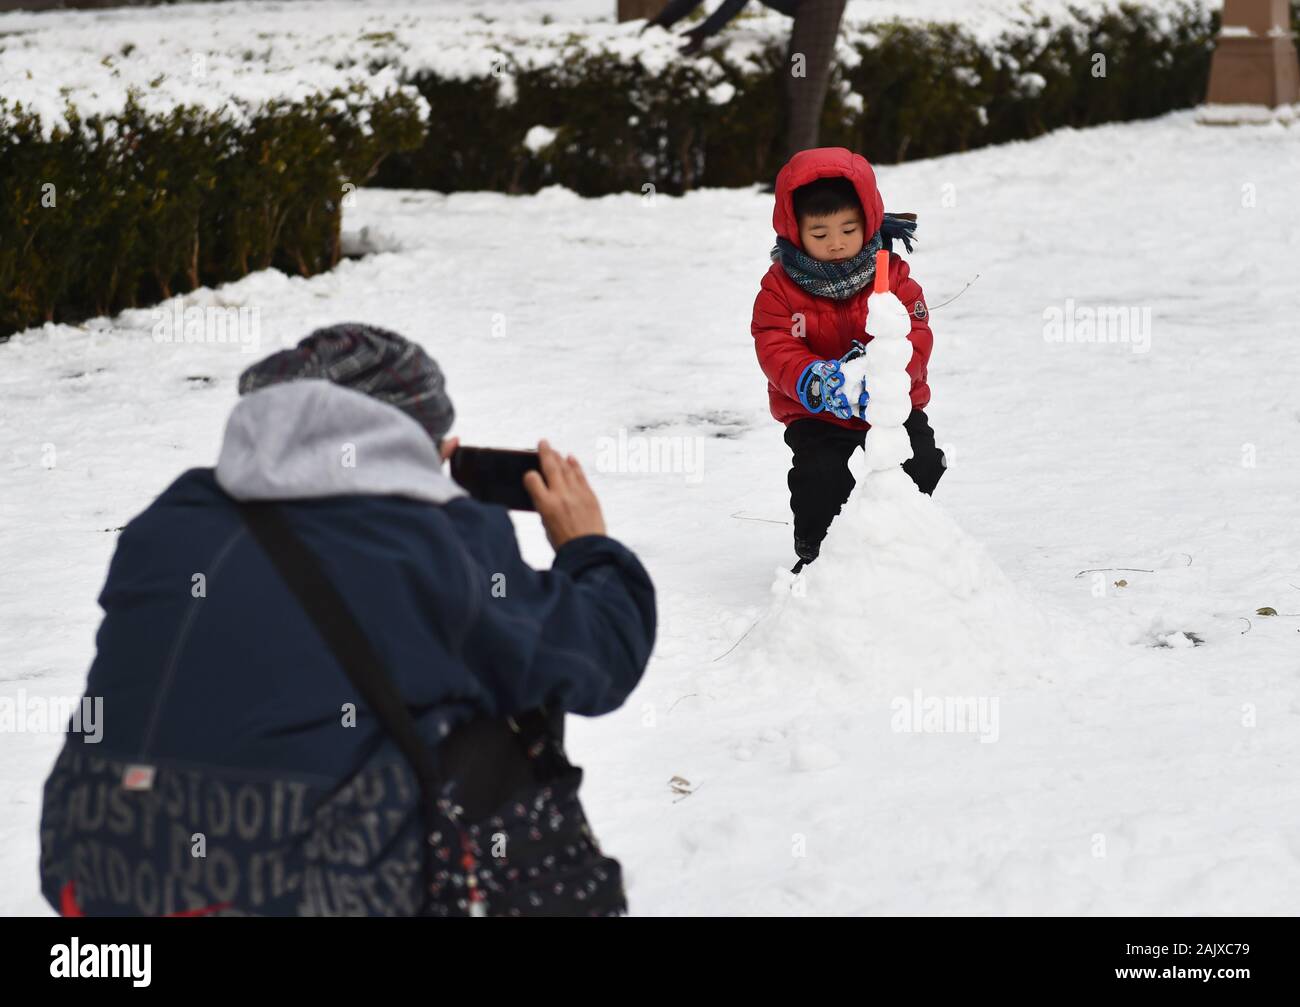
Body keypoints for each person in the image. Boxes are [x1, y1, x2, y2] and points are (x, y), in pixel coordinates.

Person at [39, 323, 656, 917]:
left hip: (99, 872)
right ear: (413, 442)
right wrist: (586, 545)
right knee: (496, 705)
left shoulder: (169, 521)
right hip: (312, 890)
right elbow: (601, 657)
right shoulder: (433, 542)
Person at [750, 148, 946, 571]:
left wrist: (888, 374)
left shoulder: (891, 275)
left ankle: (899, 534)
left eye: (848, 229)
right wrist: (815, 379)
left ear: (870, 223)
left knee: (921, 460)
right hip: (817, 411)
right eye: (819, 234)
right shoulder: (780, 287)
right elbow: (773, 341)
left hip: (887, 406)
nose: (836, 243)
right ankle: (820, 554)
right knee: (819, 479)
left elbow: (916, 332)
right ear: (795, 231)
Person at [645, 0, 847, 158]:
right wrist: (662, 21)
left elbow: (736, 1)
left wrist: (705, 30)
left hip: (820, 6)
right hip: (804, 8)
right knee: (792, 83)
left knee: (804, 88)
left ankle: (802, 178)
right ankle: (792, 170)